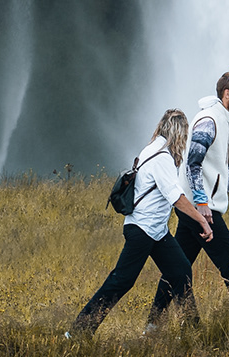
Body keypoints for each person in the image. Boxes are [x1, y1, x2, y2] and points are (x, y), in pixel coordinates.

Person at [69, 108, 212, 336]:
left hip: (155, 231)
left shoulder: (151, 149)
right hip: (143, 229)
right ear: (179, 133)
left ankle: (192, 331)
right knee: (122, 280)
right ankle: (78, 331)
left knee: (181, 270)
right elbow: (176, 198)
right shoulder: (162, 157)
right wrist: (202, 222)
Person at [150, 70, 229, 325]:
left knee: (178, 267)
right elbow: (192, 163)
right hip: (200, 210)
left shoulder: (221, 120)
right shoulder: (209, 121)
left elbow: (221, 168)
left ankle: (153, 325)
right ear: (227, 94)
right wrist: (201, 204)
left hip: (199, 208)